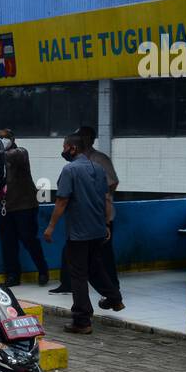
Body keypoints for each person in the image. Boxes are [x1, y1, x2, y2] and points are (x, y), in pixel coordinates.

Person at [43, 133, 123, 334]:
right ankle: (114, 297)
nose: (63, 151)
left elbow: (62, 201)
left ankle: (81, 320)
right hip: (97, 229)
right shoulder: (98, 168)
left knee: (78, 274)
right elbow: (106, 198)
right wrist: (105, 224)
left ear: (72, 148)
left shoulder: (70, 170)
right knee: (94, 267)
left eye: (64, 147)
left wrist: (51, 225)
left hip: (79, 232)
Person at [48, 125, 119, 295]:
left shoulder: (97, 161)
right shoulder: (82, 165)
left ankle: (111, 292)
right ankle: (111, 295)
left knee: (97, 260)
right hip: (88, 220)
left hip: (92, 220)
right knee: (82, 259)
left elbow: (62, 200)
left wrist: (51, 226)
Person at [0, 129, 49, 287]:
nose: (2, 140)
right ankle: (13, 275)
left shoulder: (20, 153)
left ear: (12, 139)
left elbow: (11, 156)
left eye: (5, 138)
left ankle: (42, 270)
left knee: (29, 239)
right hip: (4, 207)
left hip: (24, 206)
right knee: (8, 243)